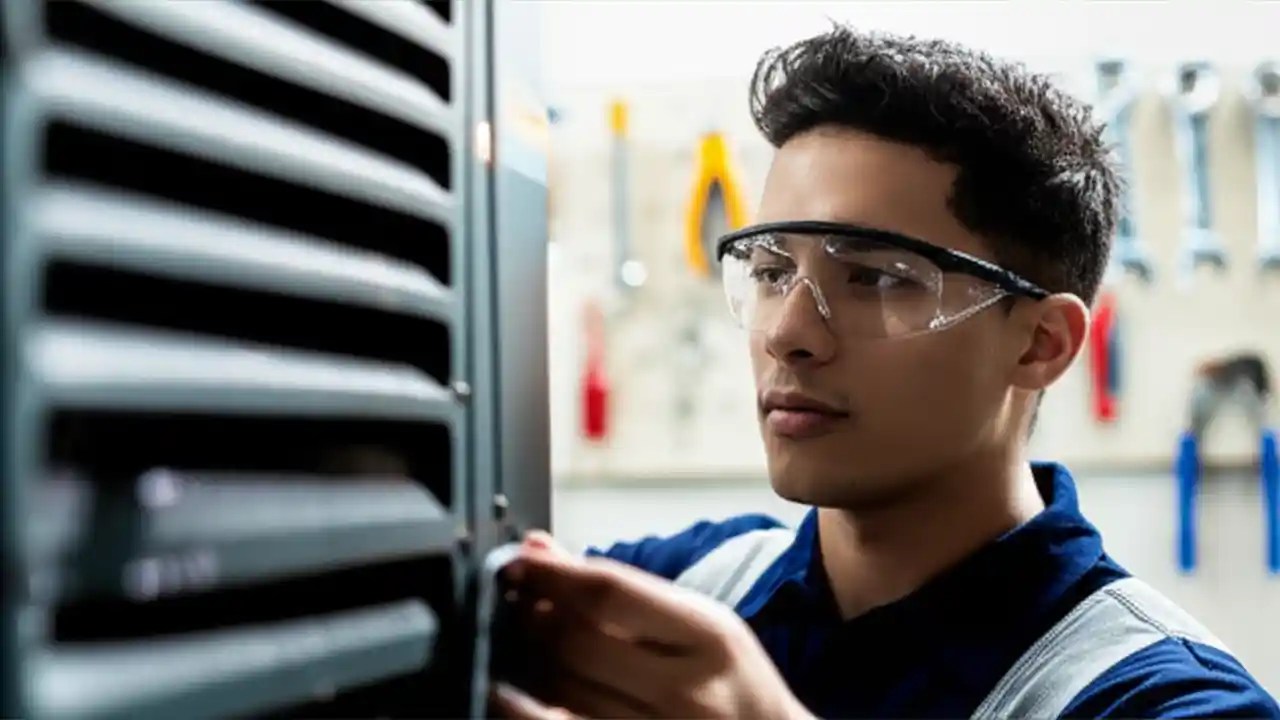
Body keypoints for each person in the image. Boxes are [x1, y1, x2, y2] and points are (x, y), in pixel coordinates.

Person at [494, 25, 1280, 720]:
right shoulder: (680, 595)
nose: (789, 333)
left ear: (1041, 343)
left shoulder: (1161, 699)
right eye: (771, 271)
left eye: (875, 278)